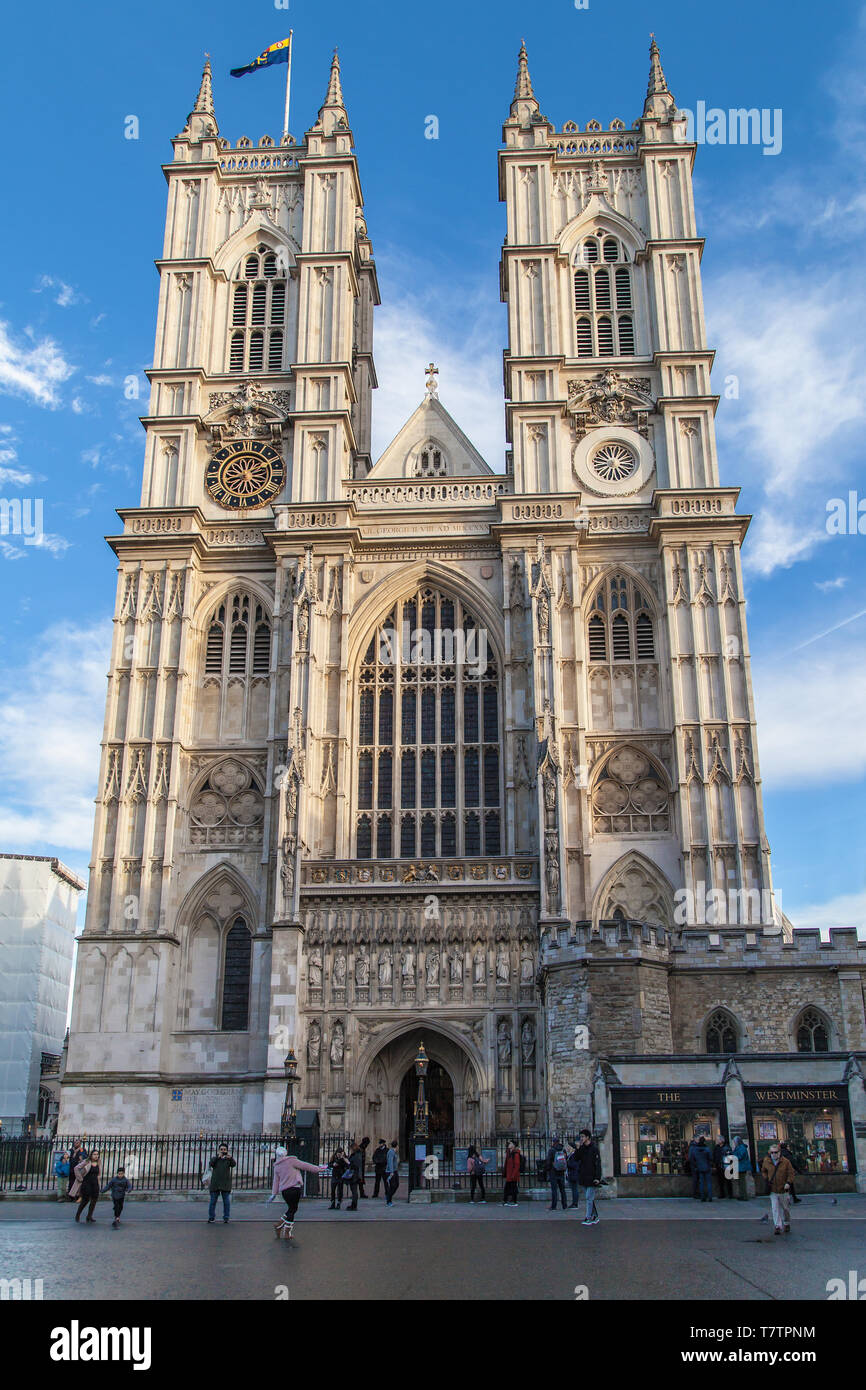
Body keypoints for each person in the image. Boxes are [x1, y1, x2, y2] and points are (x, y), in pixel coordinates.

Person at [270, 1146, 330, 1240]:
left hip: (285, 1191)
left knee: (291, 1209)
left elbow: (276, 1181)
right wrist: (319, 1169)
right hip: (294, 1188)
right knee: (293, 1209)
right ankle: (282, 1227)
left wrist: (273, 1193)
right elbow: (306, 1166)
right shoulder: (291, 1161)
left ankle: (284, 1229)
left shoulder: (277, 1166)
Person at [761, 1142, 796, 1234]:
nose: (774, 1154)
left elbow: (791, 1173)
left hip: (783, 1189)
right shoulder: (766, 1161)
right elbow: (763, 1171)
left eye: (776, 1152)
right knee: (775, 1208)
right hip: (773, 1189)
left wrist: (788, 1182)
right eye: (772, 1152)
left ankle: (787, 1223)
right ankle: (778, 1226)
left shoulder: (785, 1162)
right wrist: (766, 1178)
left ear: (779, 1152)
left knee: (785, 1209)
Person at [577, 1128, 602, 1225]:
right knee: (590, 1198)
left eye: (583, 1137)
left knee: (588, 1197)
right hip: (583, 1176)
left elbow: (597, 1164)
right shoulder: (582, 1148)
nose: (581, 1138)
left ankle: (588, 1218)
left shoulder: (594, 1148)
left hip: (592, 1177)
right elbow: (576, 1158)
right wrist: (578, 1149)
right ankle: (595, 1216)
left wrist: (597, 1177)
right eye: (581, 1137)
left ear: (588, 1137)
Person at [206, 1143, 236, 1223]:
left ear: (227, 1150)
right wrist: (217, 1157)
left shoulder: (228, 1159)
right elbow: (211, 1163)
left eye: (224, 1150)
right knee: (213, 1201)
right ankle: (211, 1217)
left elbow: (233, 1164)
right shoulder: (215, 1158)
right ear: (219, 1150)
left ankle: (226, 1217)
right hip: (215, 1183)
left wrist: (231, 1158)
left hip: (225, 1183)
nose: (223, 1151)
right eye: (221, 1149)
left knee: (226, 1202)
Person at [71, 1150, 101, 1223]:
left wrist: (99, 1182)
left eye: (97, 1154)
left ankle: (89, 1216)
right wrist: (80, 1178)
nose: (96, 1156)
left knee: (94, 1200)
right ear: (91, 1155)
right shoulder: (87, 1161)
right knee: (85, 1200)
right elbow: (76, 1168)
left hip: (95, 1183)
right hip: (87, 1183)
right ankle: (78, 1215)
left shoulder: (99, 1162)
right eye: (94, 1154)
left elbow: (99, 1173)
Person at [546, 1136, 569, 1211]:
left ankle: (554, 1206)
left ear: (553, 1142)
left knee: (554, 1190)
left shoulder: (551, 1150)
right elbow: (566, 1160)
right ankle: (564, 1205)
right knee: (562, 1190)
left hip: (553, 1172)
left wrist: (548, 1169)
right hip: (561, 1172)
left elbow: (548, 1162)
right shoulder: (563, 1150)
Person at [691, 1135, 713, 1202]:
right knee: (709, 1182)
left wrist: (696, 1165)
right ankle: (710, 1196)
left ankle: (702, 1196)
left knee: (701, 1183)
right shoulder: (707, 1149)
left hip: (699, 1167)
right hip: (707, 1167)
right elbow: (711, 1157)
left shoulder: (695, 1149)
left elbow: (693, 1158)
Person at [732, 1135, 752, 1201]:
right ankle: (742, 1195)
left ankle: (744, 1196)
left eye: (735, 1141)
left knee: (742, 1182)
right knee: (740, 1182)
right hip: (739, 1166)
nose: (734, 1143)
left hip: (742, 1167)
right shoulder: (739, 1147)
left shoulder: (742, 1148)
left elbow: (740, 1156)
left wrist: (733, 1156)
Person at [712, 1135, 733, 1199]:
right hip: (719, 1166)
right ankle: (722, 1194)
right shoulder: (716, 1147)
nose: (717, 1141)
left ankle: (730, 1194)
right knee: (720, 1181)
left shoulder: (727, 1147)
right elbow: (714, 1156)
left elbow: (730, 1157)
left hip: (726, 1166)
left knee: (728, 1181)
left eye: (718, 1139)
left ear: (721, 1140)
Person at [344, 1142, 363, 1210]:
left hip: (354, 1175)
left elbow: (355, 1165)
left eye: (351, 1149)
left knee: (354, 1191)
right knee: (353, 1190)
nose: (350, 1150)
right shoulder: (356, 1154)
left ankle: (354, 1206)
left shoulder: (357, 1155)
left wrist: (348, 1162)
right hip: (354, 1174)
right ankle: (353, 1204)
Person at [502, 1140, 521, 1207]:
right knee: (508, 1188)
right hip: (509, 1174)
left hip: (513, 1175)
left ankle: (513, 1202)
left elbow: (517, 1165)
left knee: (512, 1188)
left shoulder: (515, 1154)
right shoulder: (509, 1153)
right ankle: (506, 1201)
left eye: (510, 1143)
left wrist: (513, 1175)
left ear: (513, 1145)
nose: (509, 1144)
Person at [565, 1140, 581, 1209]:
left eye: (569, 1147)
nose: (568, 1148)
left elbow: (575, 1165)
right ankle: (574, 1203)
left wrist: (567, 1163)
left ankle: (575, 1203)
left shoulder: (574, 1155)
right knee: (573, 1189)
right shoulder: (570, 1155)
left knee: (575, 1189)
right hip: (571, 1174)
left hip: (574, 1174)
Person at [385, 1140, 400, 1206]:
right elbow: (390, 1162)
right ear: (396, 1146)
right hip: (391, 1171)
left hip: (395, 1170)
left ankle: (389, 1196)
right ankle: (389, 1199)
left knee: (396, 1184)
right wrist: (391, 1172)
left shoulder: (394, 1152)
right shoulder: (391, 1152)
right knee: (393, 1186)